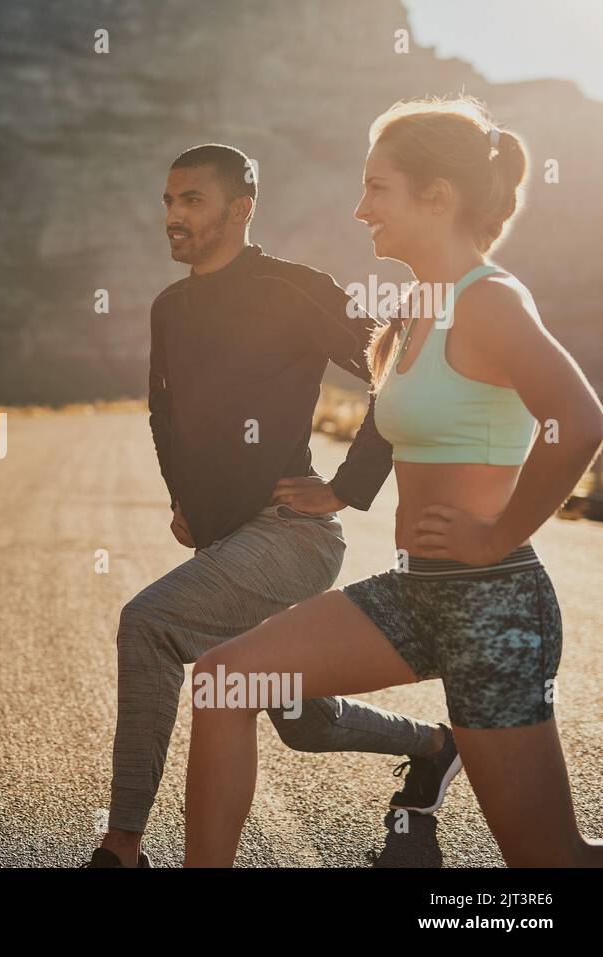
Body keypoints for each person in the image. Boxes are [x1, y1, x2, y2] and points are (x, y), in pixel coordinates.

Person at [184, 98, 603, 867]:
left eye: (378, 188)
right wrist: (333, 490)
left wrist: (498, 534)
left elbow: (578, 420)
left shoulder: (490, 300)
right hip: (415, 592)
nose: (360, 208)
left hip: (494, 603)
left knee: (549, 859)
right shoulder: (417, 305)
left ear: (436, 196)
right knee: (224, 680)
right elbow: (390, 421)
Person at [87, 144, 452, 869]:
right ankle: (434, 746)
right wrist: (182, 497)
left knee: (148, 624)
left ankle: (121, 846)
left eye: (192, 200)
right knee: (299, 716)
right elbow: (164, 411)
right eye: (168, 201)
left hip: (292, 536)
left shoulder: (294, 288)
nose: (174, 216)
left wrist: (346, 486)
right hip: (224, 542)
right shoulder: (170, 307)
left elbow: (397, 367)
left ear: (241, 209)